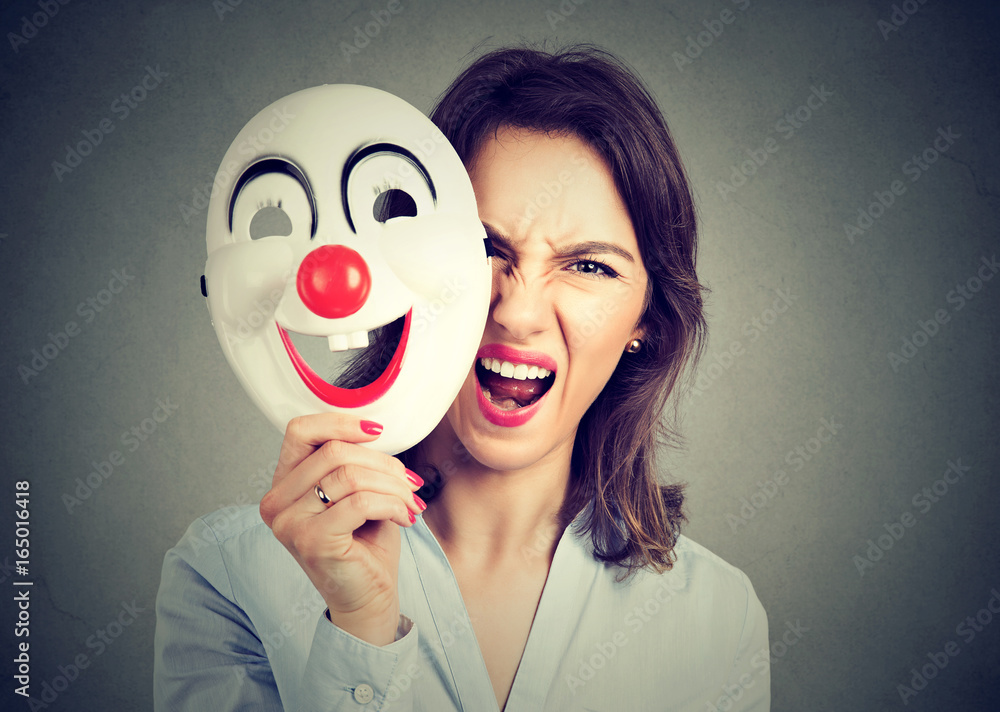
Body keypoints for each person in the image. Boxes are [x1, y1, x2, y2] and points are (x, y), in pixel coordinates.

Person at [154, 45, 770, 711]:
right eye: (486, 250)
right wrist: (360, 633)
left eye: (589, 266)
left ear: (644, 319)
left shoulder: (716, 619)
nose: (519, 311)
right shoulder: (229, 575)